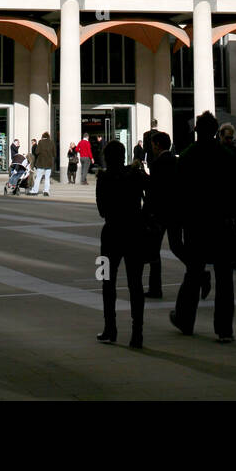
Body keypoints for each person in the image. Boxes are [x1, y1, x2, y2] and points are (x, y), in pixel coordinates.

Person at [170, 111, 236, 343]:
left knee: (193, 272)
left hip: (196, 223)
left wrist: (178, 224)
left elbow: (179, 193)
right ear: (216, 131)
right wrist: (233, 216)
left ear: (196, 131)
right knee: (224, 277)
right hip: (222, 224)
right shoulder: (228, 155)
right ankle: (224, 329)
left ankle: (185, 319)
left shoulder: (188, 156)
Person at [96, 139, 147, 348]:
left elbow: (101, 210)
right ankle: (137, 333)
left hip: (110, 234)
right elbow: (152, 191)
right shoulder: (135, 175)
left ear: (107, 157)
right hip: (134, 232)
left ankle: (110, 328)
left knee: (107, 282)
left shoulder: (104, 178)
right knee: (136, 284)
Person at [143, 130, 181, 300]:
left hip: (159, 213)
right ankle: (199, 272)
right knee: (176, 246)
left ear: (157, 145)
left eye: (153, 145)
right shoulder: (175, 161)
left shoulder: (158, 163)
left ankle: (155, 288)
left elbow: (153, 189)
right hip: (174, 211)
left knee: (153, 250)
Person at [219, 124, 236, 267]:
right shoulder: (216, 152)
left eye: (231, 137)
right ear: (221, 136)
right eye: (227, 137)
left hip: (233, 195)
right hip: (222, 195)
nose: (229, 140)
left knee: (232, 227)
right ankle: (226, 256)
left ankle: (234, 257)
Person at [31, 130, 56, 195]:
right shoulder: (52, 142)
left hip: (41, 163)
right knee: (47, 178)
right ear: (48, 137)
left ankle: (35, 191)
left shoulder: (40, 142)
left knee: (38, 177)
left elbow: (37, 152)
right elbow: (54, 154)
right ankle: (46, 191)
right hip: (49, 163)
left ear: (42, 137)